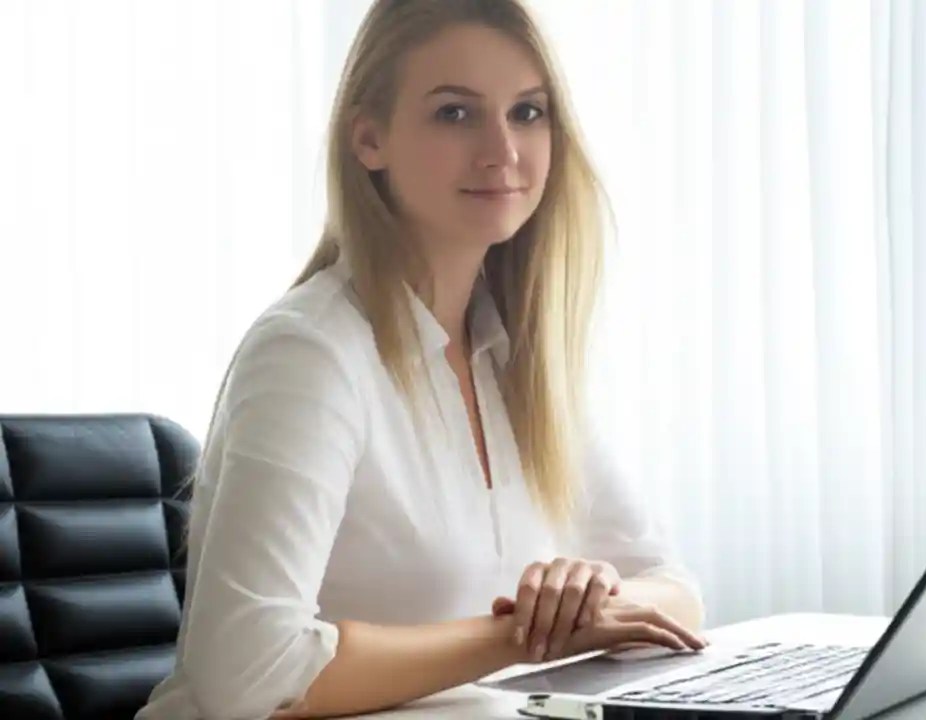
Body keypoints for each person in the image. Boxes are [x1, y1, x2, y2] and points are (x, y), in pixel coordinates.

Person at [138, 1, 705, 717]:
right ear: (369, 139)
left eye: (528, 113)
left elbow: (675, 590)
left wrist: (583, 600)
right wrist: (522, 635)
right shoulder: (310, 352)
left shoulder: (512, 354)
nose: (503, 150)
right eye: (456, 115)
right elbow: (249, 672)